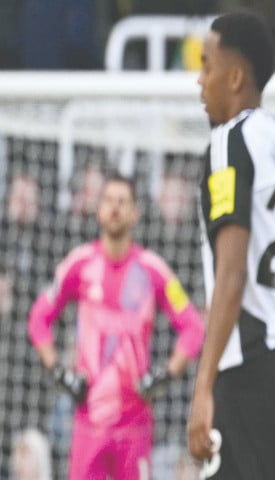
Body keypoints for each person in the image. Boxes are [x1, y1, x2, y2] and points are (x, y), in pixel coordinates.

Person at [187, 12, 275, 480]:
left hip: (243, 371)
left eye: (206, 66)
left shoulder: (228, 142)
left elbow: (232, 270)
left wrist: (204, 386)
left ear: (235, 76)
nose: (199, 81)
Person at [27, 174, 205, 479]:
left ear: (135, 213)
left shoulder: (153, 269)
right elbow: (38, 318)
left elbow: (193, 327)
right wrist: (58, 371)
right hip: (88, 422)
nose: (115, 208)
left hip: (135, 425)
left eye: (123, 202)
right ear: (98, 209)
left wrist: (166, 374)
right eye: (108, 200)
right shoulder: (79, 264)